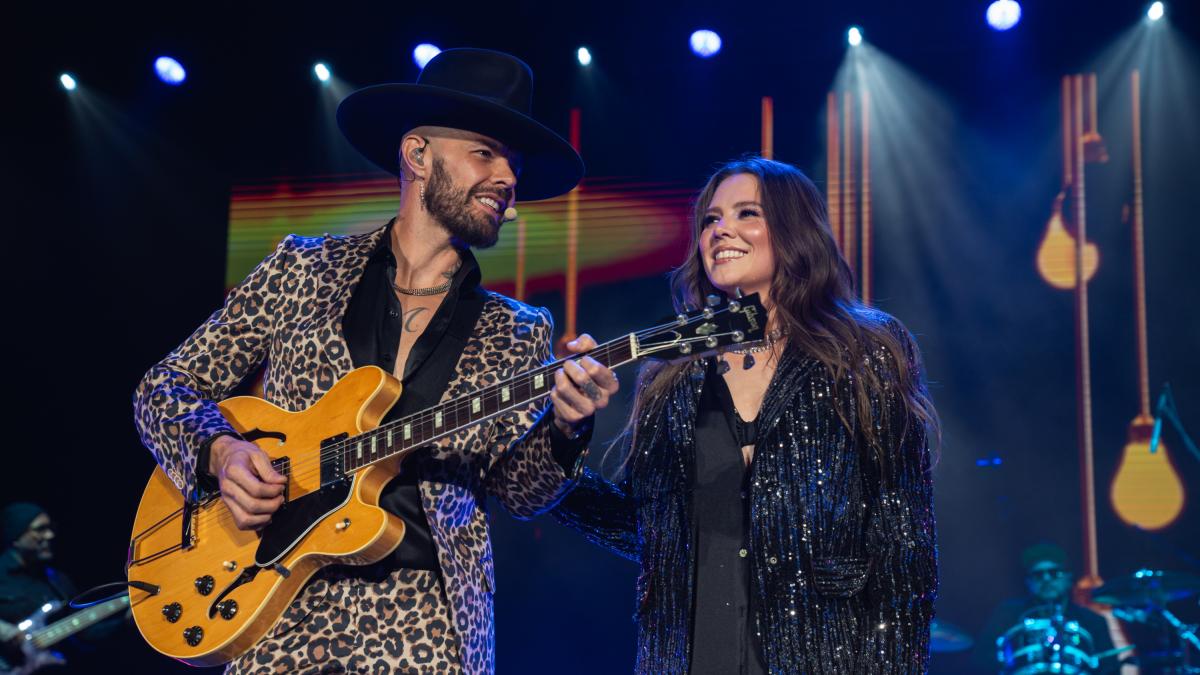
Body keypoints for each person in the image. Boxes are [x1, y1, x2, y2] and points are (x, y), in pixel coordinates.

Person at [132, 48, 619, 674]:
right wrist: (223, 453)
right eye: (485, 153)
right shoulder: (303, 269)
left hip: (428, 621)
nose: (507, 177)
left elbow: (517, 491)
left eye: (515, 165)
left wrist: (567, 426)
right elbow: (164, 386)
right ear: (417, 155)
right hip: (275, 600)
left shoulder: (515, 329)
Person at [553, 157, 939, 673]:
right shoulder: (673, 377)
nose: (721, 231)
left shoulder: (864, 353)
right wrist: (560, 436)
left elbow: (904, 547)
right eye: (710, 219)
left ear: (794, 228)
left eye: (746, 213)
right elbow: (643, 528)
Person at [973, 543, 1117, 674]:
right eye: (1038, 575)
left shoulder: (1093, 621)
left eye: (1054, 573)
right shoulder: (1007, 614)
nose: (1046, 579)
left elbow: (1111, 667)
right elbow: (981, 661)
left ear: (1068, 579)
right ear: (1028, 582)